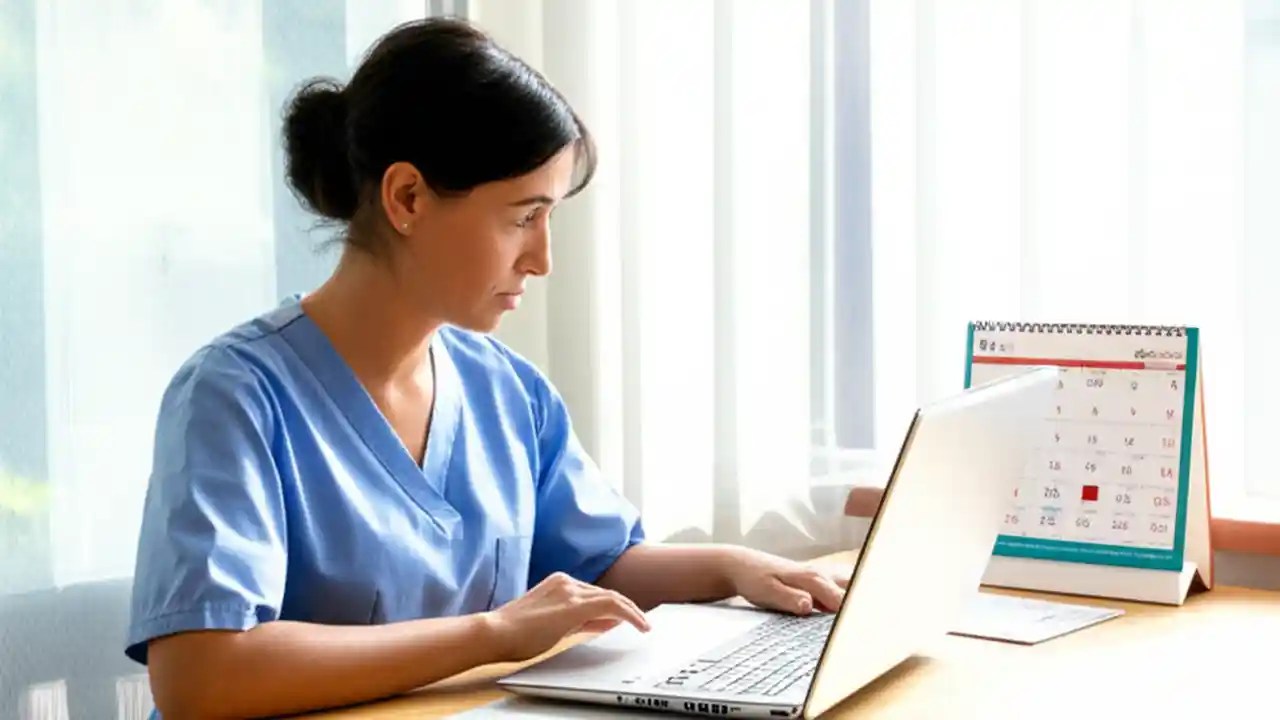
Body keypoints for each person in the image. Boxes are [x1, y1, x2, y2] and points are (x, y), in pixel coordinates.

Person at [125, 16, 849, 719]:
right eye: (522, 217)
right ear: (407, 197)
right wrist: (494, 634)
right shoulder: (234, 398)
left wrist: (733, 568)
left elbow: (602, 565)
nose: (542, 259)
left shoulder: (507, 390)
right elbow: (200, 675)